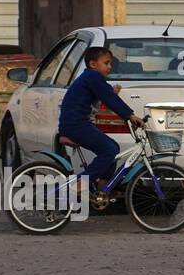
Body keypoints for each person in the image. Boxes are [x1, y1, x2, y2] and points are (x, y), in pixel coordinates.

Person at [58, 46, 144, 195]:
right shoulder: (92, 76)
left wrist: (111, 93)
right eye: (106, 63)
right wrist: (130, 115)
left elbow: (103, 94)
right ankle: (80, 183)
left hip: (75, 124)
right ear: (93, 64)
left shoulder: (90, 78)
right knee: (109, 150)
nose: (110, 67)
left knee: (113, 148)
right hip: (76, 125)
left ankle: (103, 188)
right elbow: (109, 98)